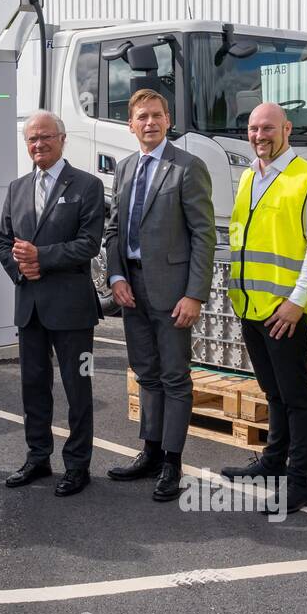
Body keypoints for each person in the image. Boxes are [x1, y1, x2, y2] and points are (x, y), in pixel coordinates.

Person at [103, 89, 215, 502]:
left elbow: (204, 234)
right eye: (141, 117)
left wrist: (195, 295)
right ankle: (149, 452)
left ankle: (172, 461)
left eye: (156, 115)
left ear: (168, 120)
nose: (149, 122)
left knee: (174, 378)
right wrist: (115, 276)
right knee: (146, 374)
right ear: (131, 125)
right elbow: (114, 229)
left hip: (172, 292)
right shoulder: (125, 168)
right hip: (131, 287)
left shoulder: (188, 167)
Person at [219, 102, 307, 513]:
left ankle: (300, 482)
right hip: (252, 307)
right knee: (274, 392)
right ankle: (274, 460)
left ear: (286, 129)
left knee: (297, 397)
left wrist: (297, 302)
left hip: (285, 311)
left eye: (267, 128)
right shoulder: (249, 175)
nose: (259, 135)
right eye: (253, 128)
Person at [0, 111, 104, 497]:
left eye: (44, 137)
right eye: (31, 139)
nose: (37, 144)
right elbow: (3, 244)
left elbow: (89, 244)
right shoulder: (17, 187)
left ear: (61, 139)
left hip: (71, 308)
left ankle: (77, 465)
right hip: (30, 305)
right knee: (33, 386)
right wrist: (24, 270)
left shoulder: (87, 186)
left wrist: (40, 257)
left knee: (77, 388)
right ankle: (38, 456)